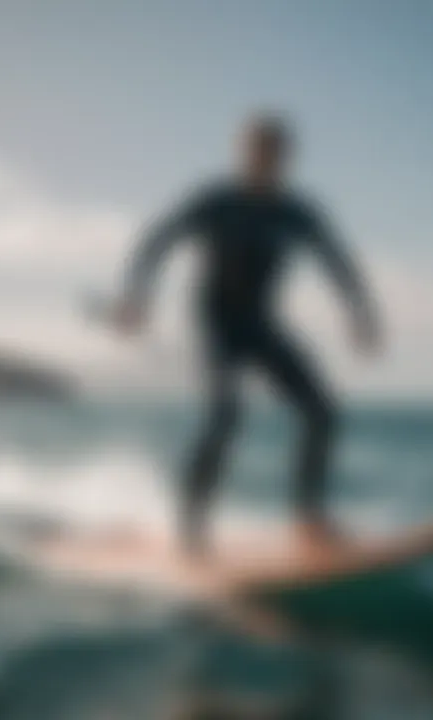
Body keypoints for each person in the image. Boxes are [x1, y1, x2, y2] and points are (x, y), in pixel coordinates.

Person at [115, 113, 383, 556]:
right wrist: (136, 295)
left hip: (261, 323)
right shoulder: (217, 201)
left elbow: (338, 262)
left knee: (322, 412)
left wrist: (360, 314)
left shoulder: (297, 212)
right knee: (226, 415)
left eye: (275, 152)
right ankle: (192, 526)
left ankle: (308, 520)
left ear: (286, 158)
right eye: (257, 151)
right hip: (216, 323)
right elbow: (158, 239)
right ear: (242, 153)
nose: (265, 160)